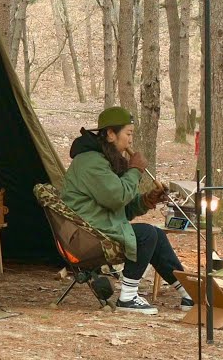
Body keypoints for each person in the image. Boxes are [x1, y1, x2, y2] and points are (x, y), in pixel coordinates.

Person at [61, 106, 193, 315]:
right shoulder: (90, 162)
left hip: (99, 227)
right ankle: (128, 297)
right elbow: (117, 198)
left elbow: (117, 208)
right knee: (146, 234)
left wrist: (146, 201)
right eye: (128, 133)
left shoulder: (102, 160)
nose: (130, 141)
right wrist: (135, 170)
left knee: (155, 234)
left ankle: (188, 292)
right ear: (111, 134)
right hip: (86, 237)